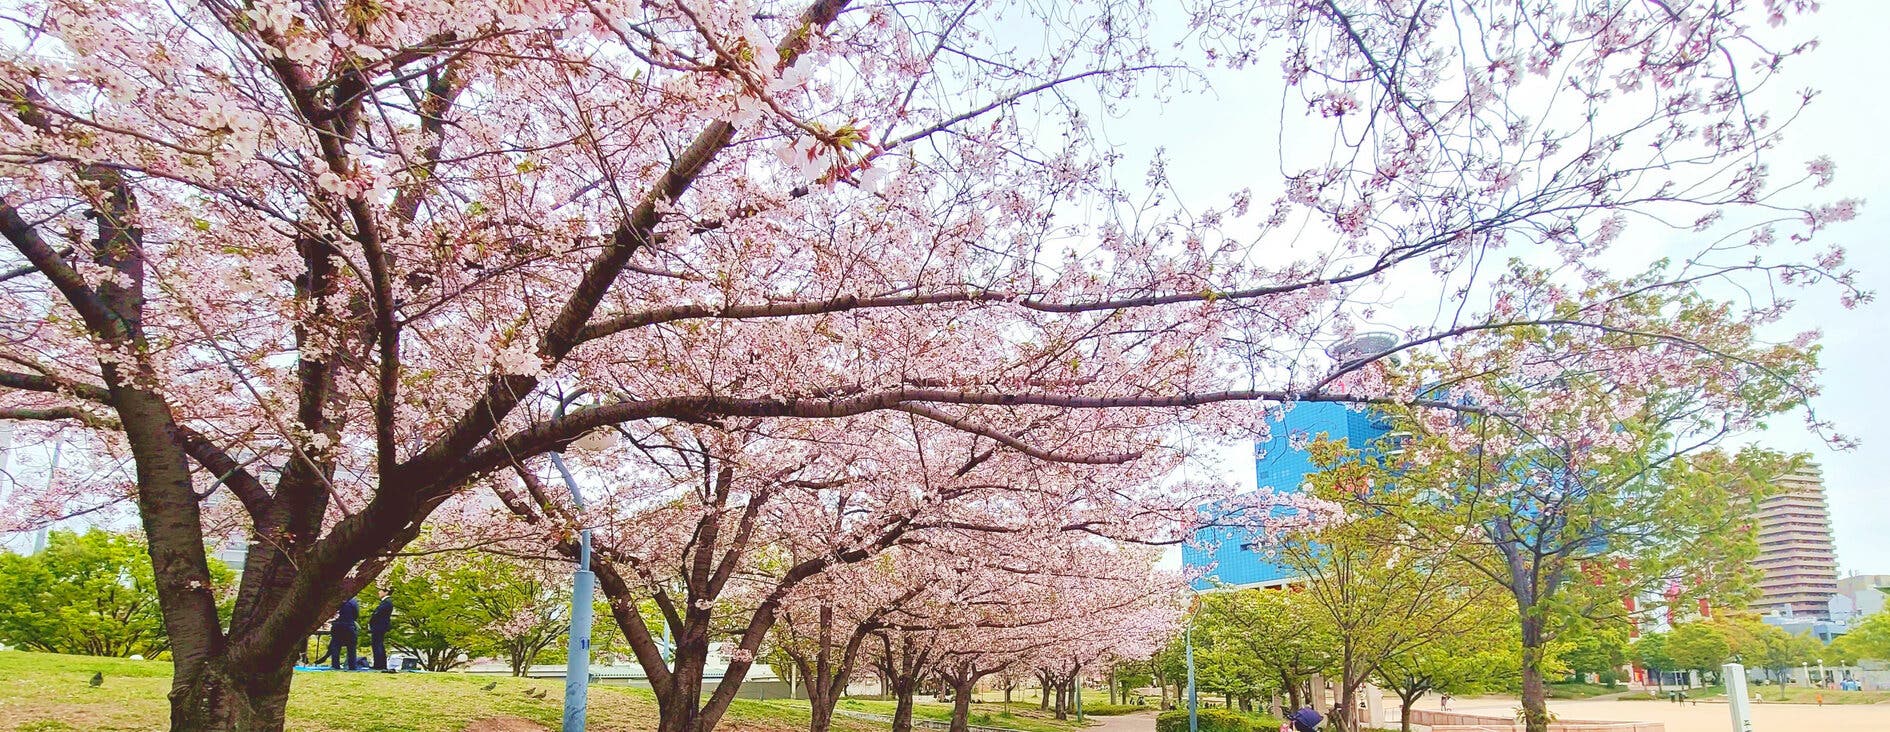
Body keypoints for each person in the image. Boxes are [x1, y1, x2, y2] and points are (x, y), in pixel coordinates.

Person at [323, 597, 359, 671]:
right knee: (351, 647)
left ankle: (335, 665)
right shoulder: (353, 601)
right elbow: (356, 614)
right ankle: (352, 666)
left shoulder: (337, 600)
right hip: (349, 626)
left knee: (336, 645)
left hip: (337, 626)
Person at [368, 591, 394, 671]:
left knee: (377, 644)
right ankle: (381, 664)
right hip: (381, 626)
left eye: (381, 590)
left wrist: (371, 622)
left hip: (379, 626)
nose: (379, 592)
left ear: (386, 592)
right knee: (379, 644)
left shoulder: (387, 602)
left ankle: (379, 664)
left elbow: (377, 614)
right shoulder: (386, 602)